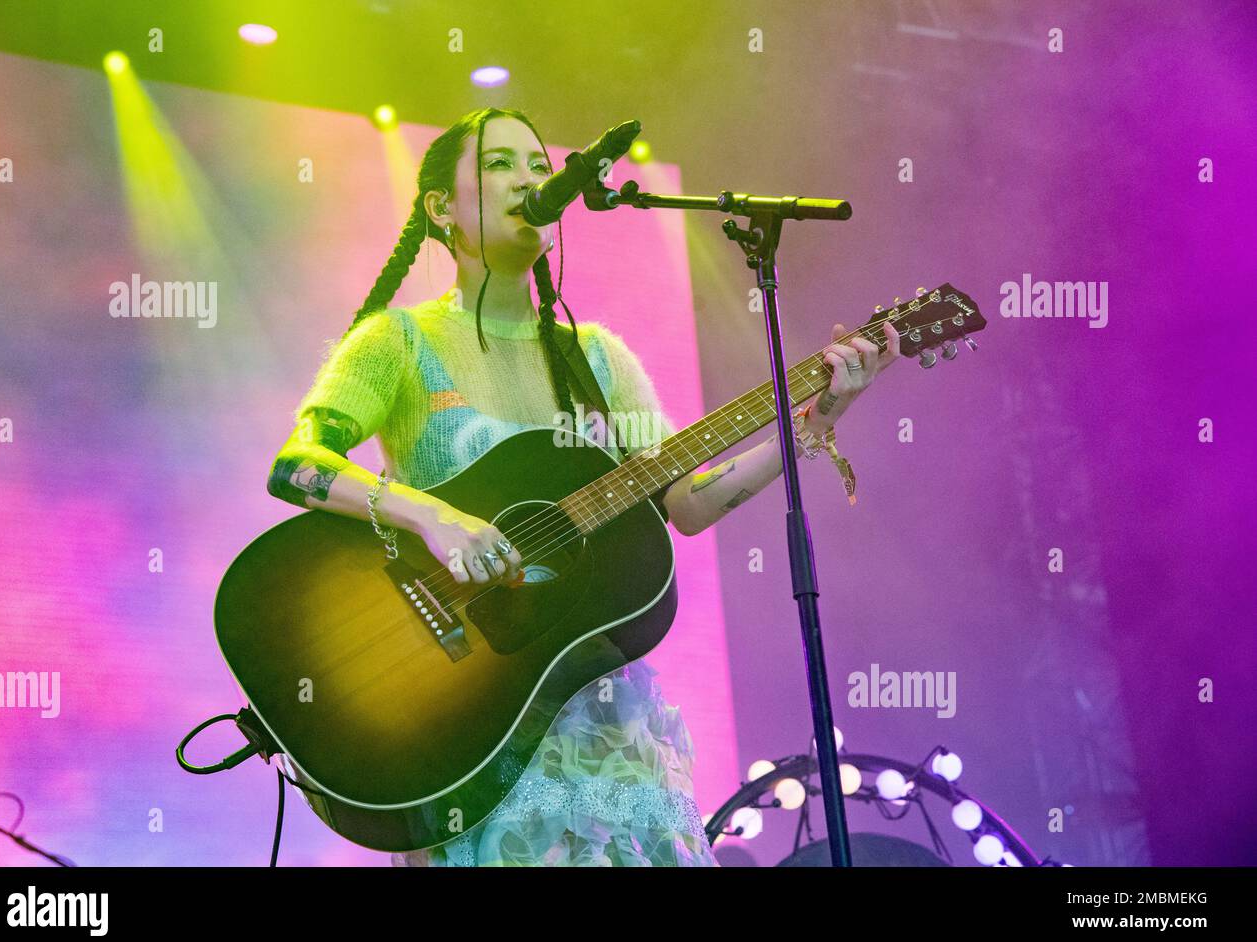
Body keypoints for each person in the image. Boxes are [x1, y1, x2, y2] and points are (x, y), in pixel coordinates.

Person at [266, 107, 899, 866]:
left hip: (607, 734)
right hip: (472, 720)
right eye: (501, 164)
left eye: (539, 164)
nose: (531, 179)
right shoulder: (395, 343)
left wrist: (812, 422)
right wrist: (432, 516)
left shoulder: (596, 358)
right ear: (440, 210)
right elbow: (299, 464)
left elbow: (688, 504)